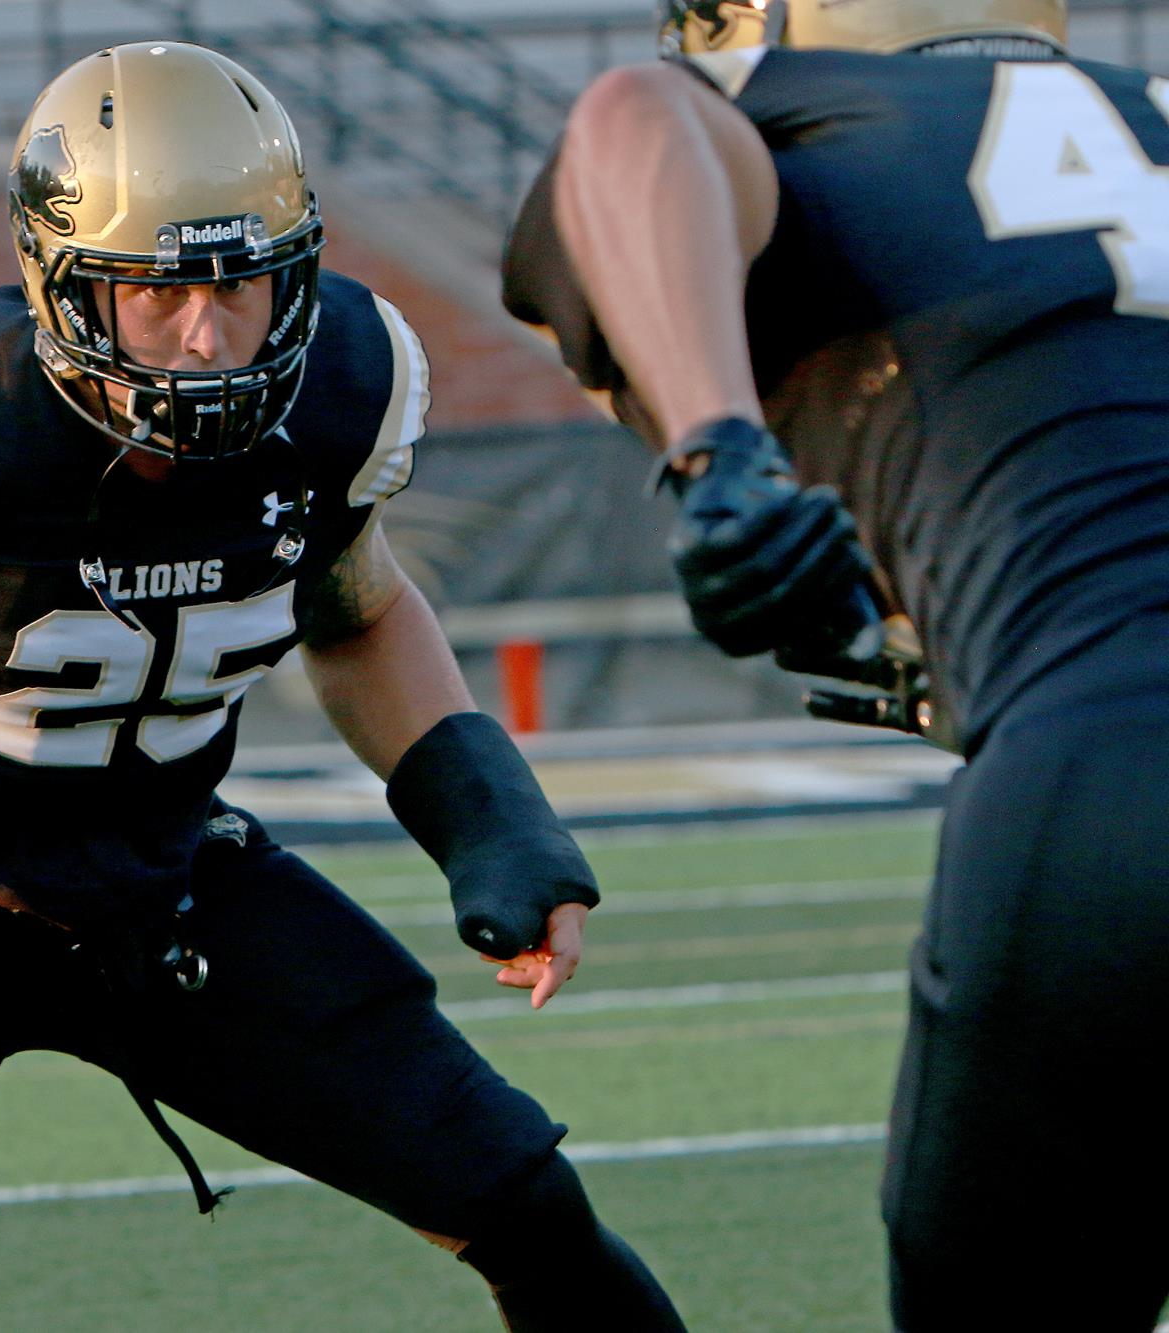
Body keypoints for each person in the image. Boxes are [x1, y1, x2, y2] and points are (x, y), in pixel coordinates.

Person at [0, 39, 685, 1333]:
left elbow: (362, 608)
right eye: (159, 294)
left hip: (164, 885)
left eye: (244, 287)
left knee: (520, 1195)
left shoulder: (345, 386)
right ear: (64, 286)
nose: (209, 334)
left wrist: (485, 814)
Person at [502, 2, 1169, 1327]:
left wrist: (719, 449)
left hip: (1112, 753)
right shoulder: (1139, 118)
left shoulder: (796, 113)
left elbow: (633, 122)